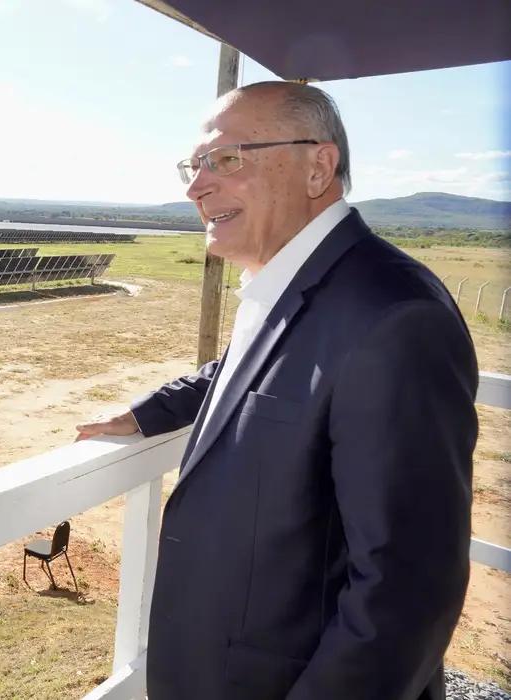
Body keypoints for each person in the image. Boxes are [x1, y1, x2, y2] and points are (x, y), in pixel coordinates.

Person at [75, 81, 477, 700]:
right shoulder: (297, 280)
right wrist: (148, 411)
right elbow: (259, 370)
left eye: (227, 160)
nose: (195, 187)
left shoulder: (394, 316)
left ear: (319, 166)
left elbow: (406, 591)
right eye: (195, 165)